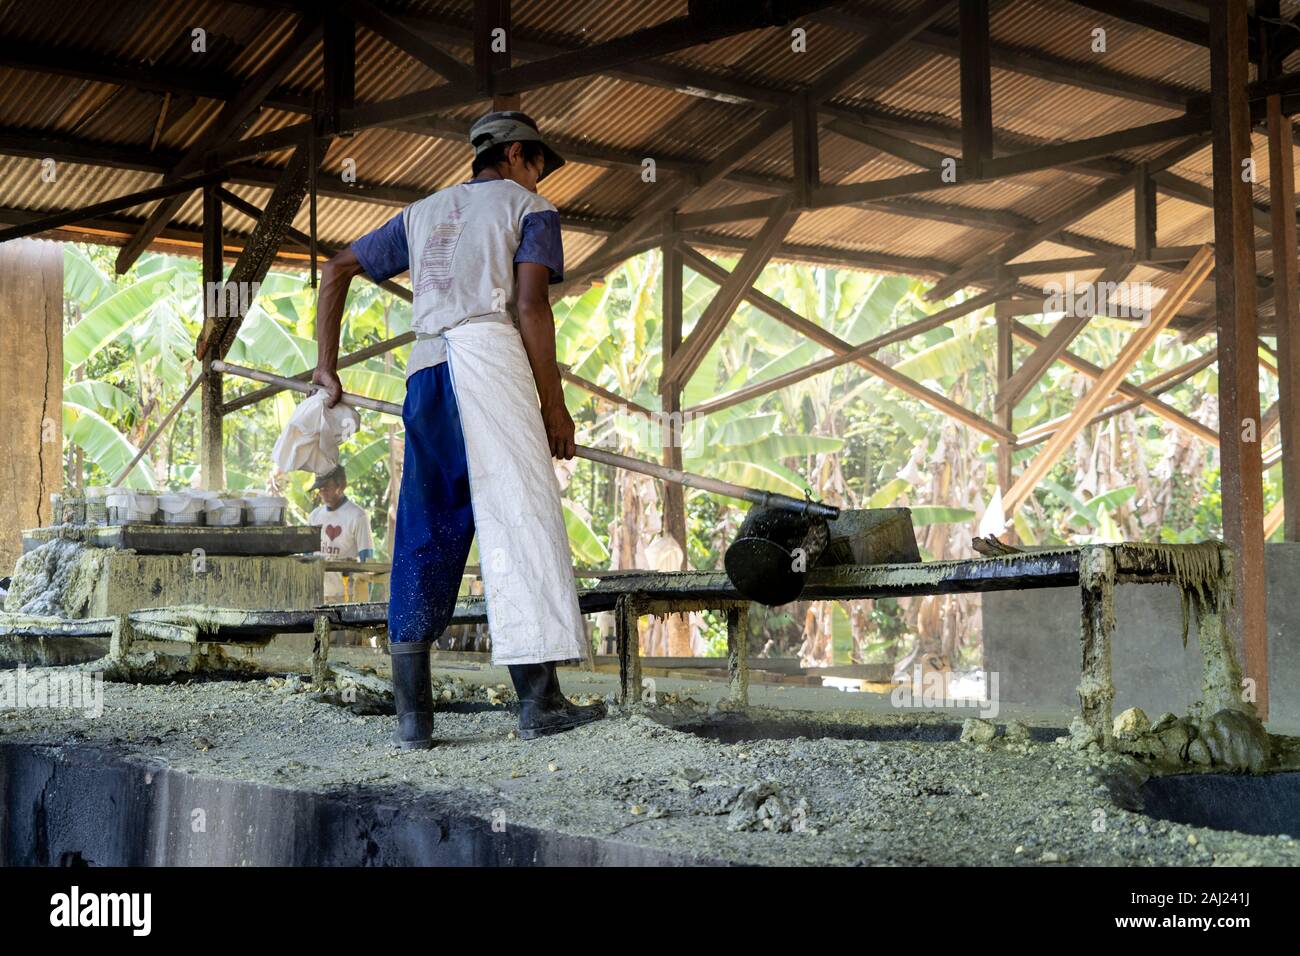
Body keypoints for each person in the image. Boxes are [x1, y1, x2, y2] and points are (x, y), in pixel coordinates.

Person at [311, 111, 605, 749]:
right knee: (519, 516)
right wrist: (555, 409)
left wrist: (327, 371)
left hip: (427, 371)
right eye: (539, 163)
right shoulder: (530, 208)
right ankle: (538, 703)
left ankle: (413, 722)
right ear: (519, 154)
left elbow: (335, 269)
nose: (540, 175)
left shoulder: (422, 213)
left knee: (426, 522)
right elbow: (530, 306)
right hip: (490, 362)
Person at [308, 464, 374, 603]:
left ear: (342, 485)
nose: (323, 492)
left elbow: (367, 560)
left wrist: (365, 599)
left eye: (328, 487)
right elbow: (307, 556)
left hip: (346, 596)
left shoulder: (357, 516)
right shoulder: (315, 516)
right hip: (318, 594)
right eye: (320, 489)